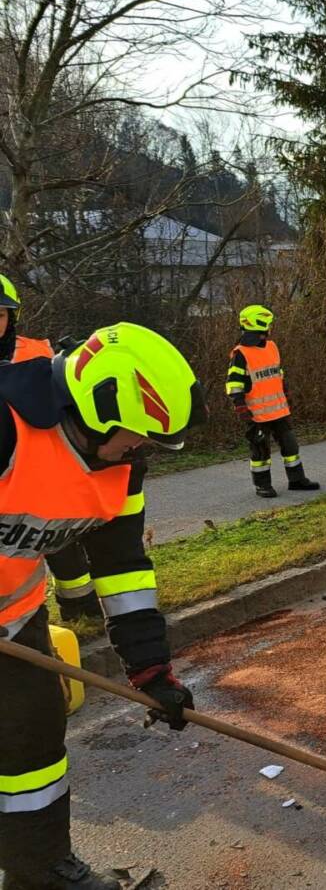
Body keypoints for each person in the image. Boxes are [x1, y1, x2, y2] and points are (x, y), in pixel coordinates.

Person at [0, 323, 204, 889]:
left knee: (32, 745)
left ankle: (37, 873)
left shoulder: (120, 462)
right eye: (138, 437)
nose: (142, 452)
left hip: (13, 622)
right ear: (94, 410)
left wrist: (151, 670)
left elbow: (123, 568)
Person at [0, 274, 99, 624]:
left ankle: (78, 604)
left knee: (57, 542)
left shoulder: (37, 352)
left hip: (42, 466)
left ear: (12, 318)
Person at [226, 306, 319, 499]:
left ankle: (297, 480)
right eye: (269, 324)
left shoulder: (272, 347)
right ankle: (263, 486)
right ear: (261, 324)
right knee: (260, 451)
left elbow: (277, 374)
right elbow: (234, 384)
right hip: (256, 414)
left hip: (279, 410)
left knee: (291, 447)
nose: (271, 328)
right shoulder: (240, 354)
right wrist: (240, 407)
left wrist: (286, 392)